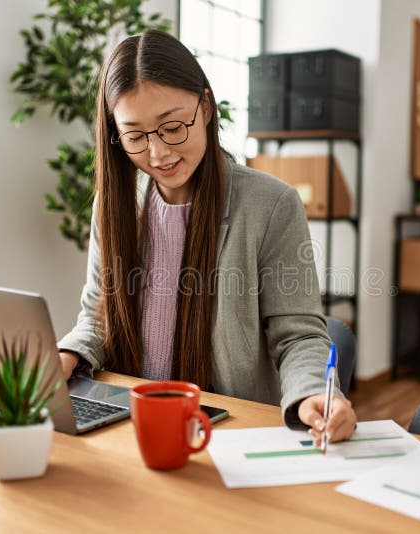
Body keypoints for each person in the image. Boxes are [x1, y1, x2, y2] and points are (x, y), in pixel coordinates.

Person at [57, 29, 356, 445]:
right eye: (136, 136)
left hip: (222, 433)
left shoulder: (271, 205)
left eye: (173, 126)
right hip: (129, 426)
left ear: (207, 106)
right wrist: (66, 355)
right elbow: (97, 315)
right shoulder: (115, 206)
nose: (159, 153)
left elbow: (299, 334)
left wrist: (311, 393)